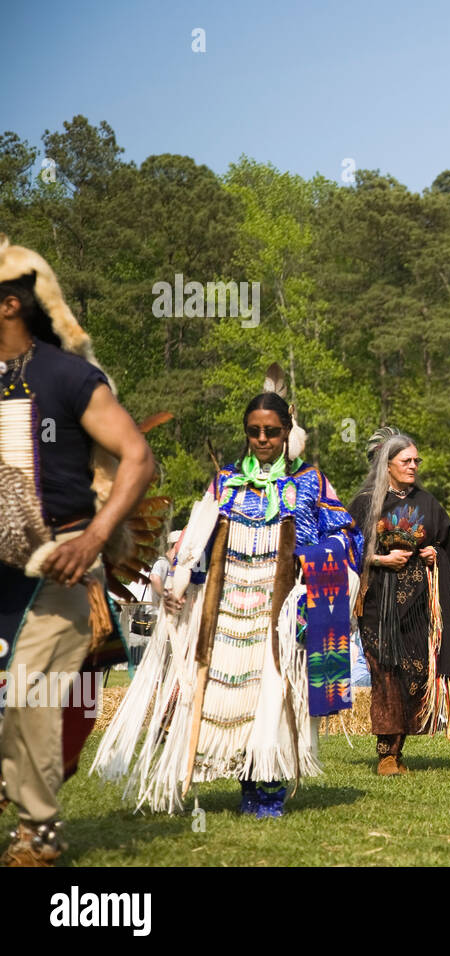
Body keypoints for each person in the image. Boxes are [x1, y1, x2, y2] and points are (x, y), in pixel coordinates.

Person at [94, 369, 361, 818]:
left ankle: (267, 792)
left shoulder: (311, 482)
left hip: (279, 612)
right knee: (230, 698)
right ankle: (244, 778)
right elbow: (195, 548)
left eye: (272, 432)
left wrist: (311, 567)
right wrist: (177, 586)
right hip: (226, 610)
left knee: (271, 697)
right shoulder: (225, 483)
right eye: (254, 432)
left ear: (286, 432)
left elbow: (346, 538)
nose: (262, 439)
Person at [0, 238, 156, 865]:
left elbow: (138, 458)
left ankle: (38, 830)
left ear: (11, 304)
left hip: (57, 560)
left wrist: (93, 538)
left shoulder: (68, 377)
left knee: (29, 693)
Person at [349, 428, 450, 775]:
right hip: (377, 603)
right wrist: (379, 560)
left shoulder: (427, 502)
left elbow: (448, 544)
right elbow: (347, 549)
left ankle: (399, 749)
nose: (414, 466)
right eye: (406, 461)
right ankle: (386, 753)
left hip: (418, 605)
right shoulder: (366, 502)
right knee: (385, 673)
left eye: (416, 460)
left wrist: (436, 554)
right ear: (388, 465)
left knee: (412, 675)